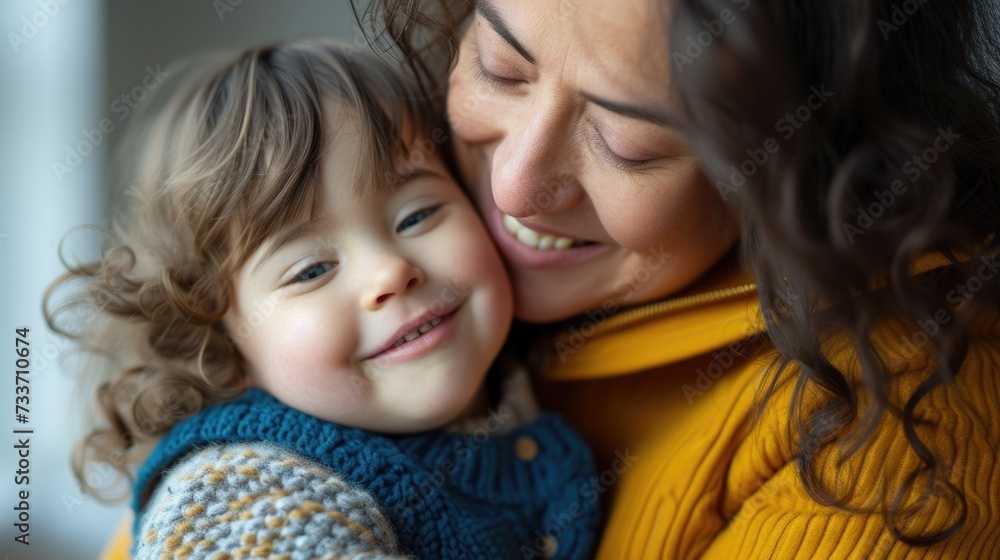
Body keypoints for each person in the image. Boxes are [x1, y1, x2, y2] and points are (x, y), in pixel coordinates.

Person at [352, 0, 1000, 557]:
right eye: (501, 69)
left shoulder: (896, 441)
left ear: (801, 161)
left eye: (627, 146)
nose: (513, 188)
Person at [45, 38, 599, 559]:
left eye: (418, 214)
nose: (390, 272)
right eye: (311, 270)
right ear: (220, 346)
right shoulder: (244, 490)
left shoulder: (542, 366)